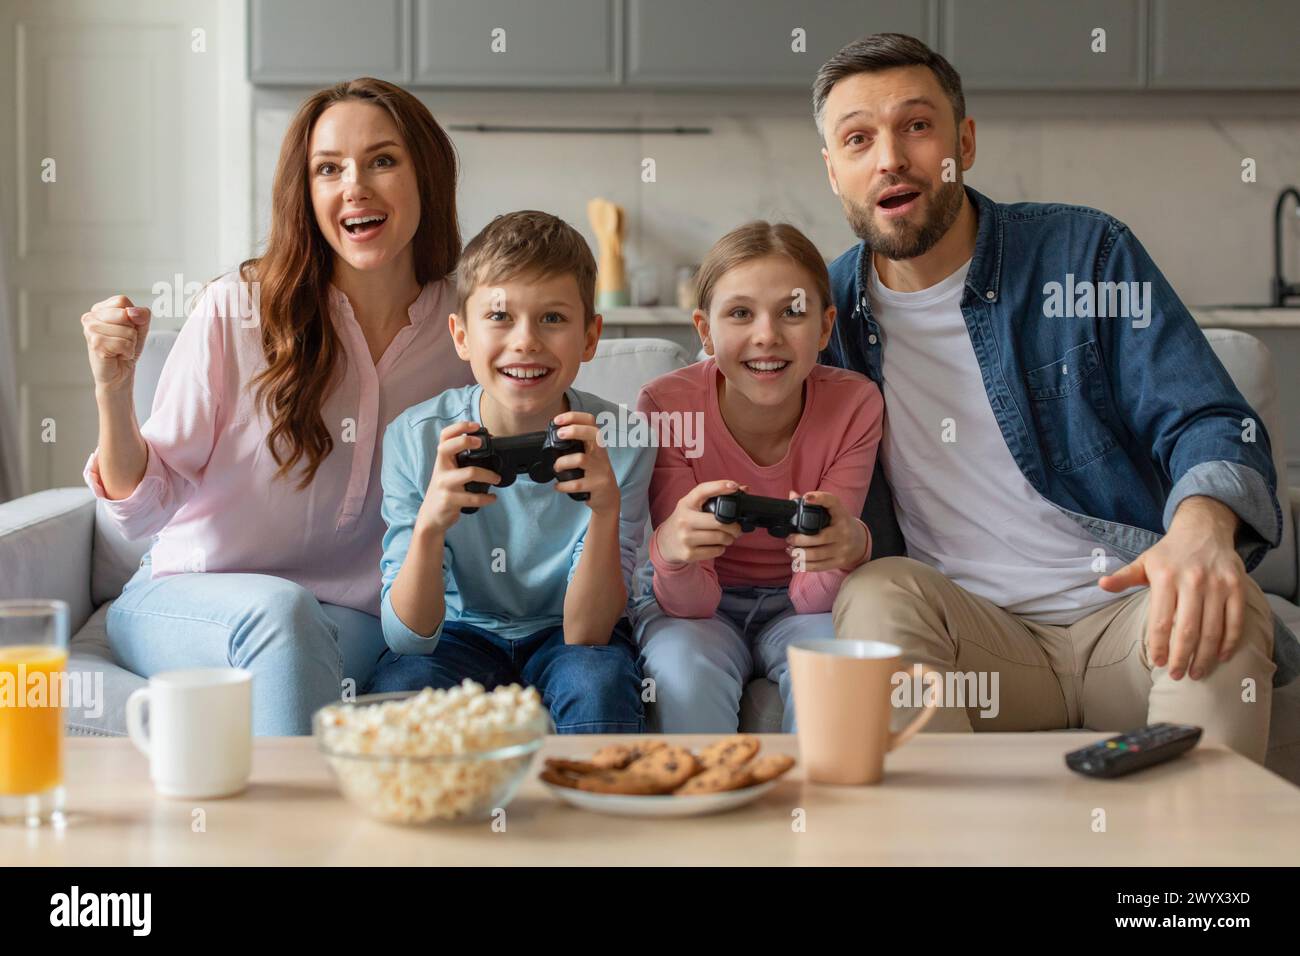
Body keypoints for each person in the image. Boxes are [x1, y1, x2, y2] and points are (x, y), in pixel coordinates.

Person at [813, 33, 1296, 762]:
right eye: (858, 139)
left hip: (1133, 621)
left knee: (1216, 602)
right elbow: (730, 407)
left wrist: (1202, 529)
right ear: (833, 172)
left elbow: (1210, 419)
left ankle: (1191, 873)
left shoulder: (1086, 256)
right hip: (978, 643)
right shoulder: (822, 315)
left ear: (964, 142)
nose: (890, 158)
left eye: (917, 126)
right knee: (878, 593)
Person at [80, 78, 472, 734]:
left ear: (425, 176)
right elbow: (142, 508)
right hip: (189, 597)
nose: (356, 186)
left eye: (383, 160)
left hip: (351, 618)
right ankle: (293, 839)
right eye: (329, 168)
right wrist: (112, 390)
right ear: (307, 193)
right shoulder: (238, 310)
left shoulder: (464, 328)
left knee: (379, 660)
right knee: (280, 614)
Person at [365, 211, 654, 734]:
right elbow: (408, 638)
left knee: (598, 684)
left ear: (590, 337)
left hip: (565, 635)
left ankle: (597, 816)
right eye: (499, 317)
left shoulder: (625, 440)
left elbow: (588, 632)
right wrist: (430, 526)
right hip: (457, 634)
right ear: (461, 335)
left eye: (552, 318)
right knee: (396, 693)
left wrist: (606, 510)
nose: (525, 341)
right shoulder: (414, 437)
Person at [631, 221, 882, 732]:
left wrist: (847, 546)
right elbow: (689, 600)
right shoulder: (667, 405)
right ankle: (705, 807)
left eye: (792, 312)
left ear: (825, 327)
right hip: (698, 606)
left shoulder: (855, 405)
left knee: (837, 678)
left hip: (802, 606)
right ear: (705, 331)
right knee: (683, 675)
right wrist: (671, 549)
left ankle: (820, 813)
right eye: (740, 313)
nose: (766, 335)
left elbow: (815, 596)